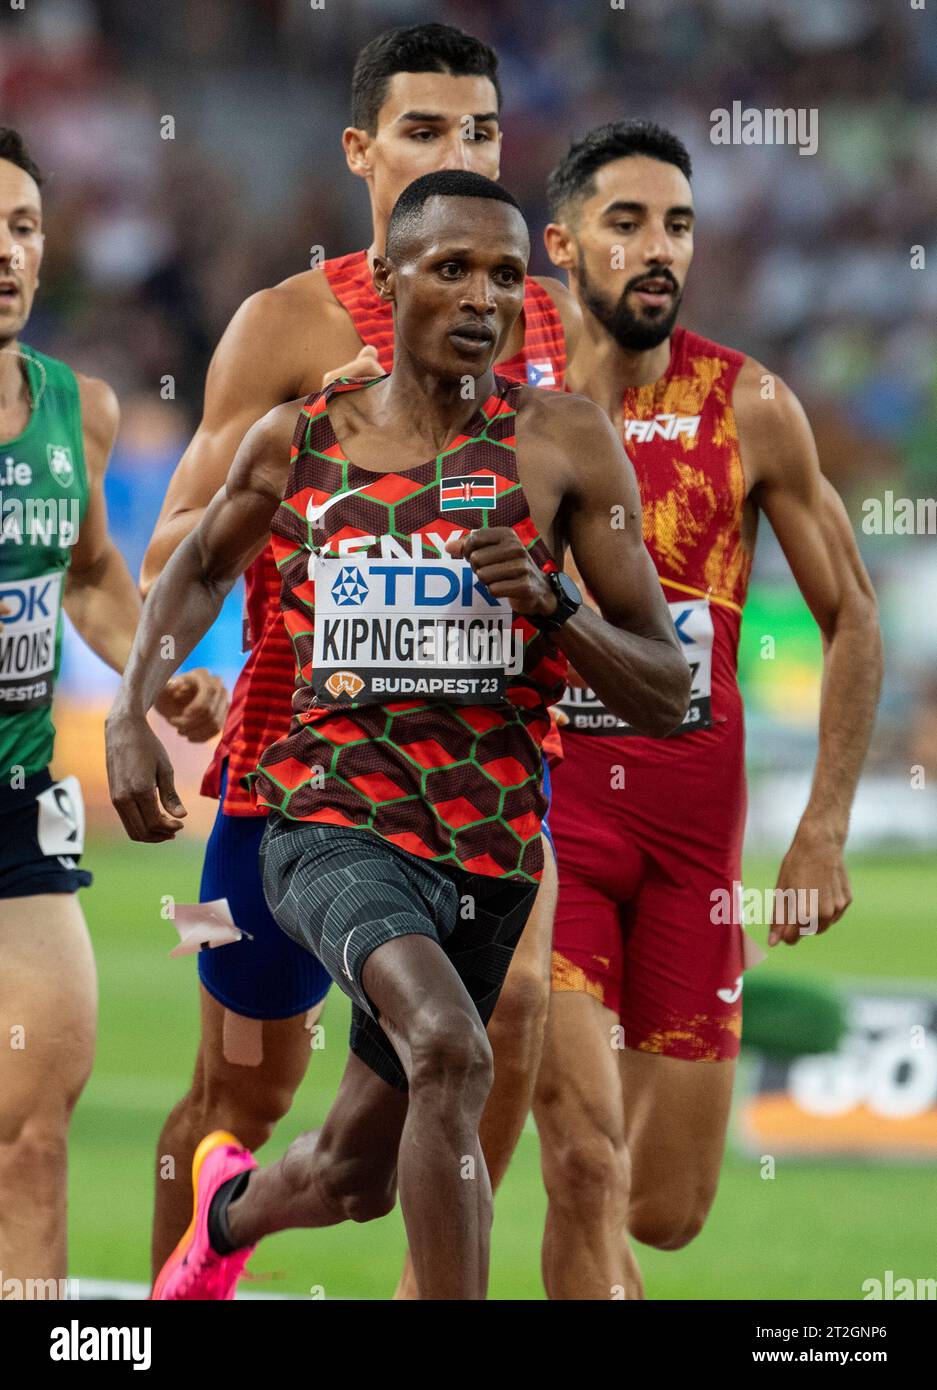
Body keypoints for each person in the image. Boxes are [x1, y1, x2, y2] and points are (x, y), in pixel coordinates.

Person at [106, 170, 690, 1300]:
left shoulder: (561, 446)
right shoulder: (300, 439)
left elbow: (668, 688)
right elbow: (195, 567)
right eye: (452, 268)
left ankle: (225, 1217)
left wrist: (554, 610)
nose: (483, 297)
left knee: (353, 1176)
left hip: (488, 851)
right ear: (385, 279)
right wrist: (133, 704)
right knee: (452, 1049)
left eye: (507, 276)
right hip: (325, 823)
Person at [139, 21, 580, 1288]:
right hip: (292, 769)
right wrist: (316, 445)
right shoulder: (285, 325)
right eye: (425, 129)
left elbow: (583, 512)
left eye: (481, 131)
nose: (459, 149)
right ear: (359, 150)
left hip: (483, 773)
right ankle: (175, 1281)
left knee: (497, 1017)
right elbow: (185, 531)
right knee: (243, 1092)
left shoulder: (536, 321)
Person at [533, 121, 883, 1298]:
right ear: (562, 243)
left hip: (695, 849)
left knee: (666, 1208)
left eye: (676, 224)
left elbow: (855, 618)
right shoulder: (505, 406)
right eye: (625, 222)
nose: (657, 248)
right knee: (582, 1161)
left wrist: (823, 824)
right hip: (546, 831)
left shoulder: (753, 406)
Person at [0, 128, 225, 1290]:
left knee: (35, 1131)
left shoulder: (73, 411)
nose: (6, 253)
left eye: (23, 228)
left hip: (16, 812)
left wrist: (150, 674)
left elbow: (87, 574)